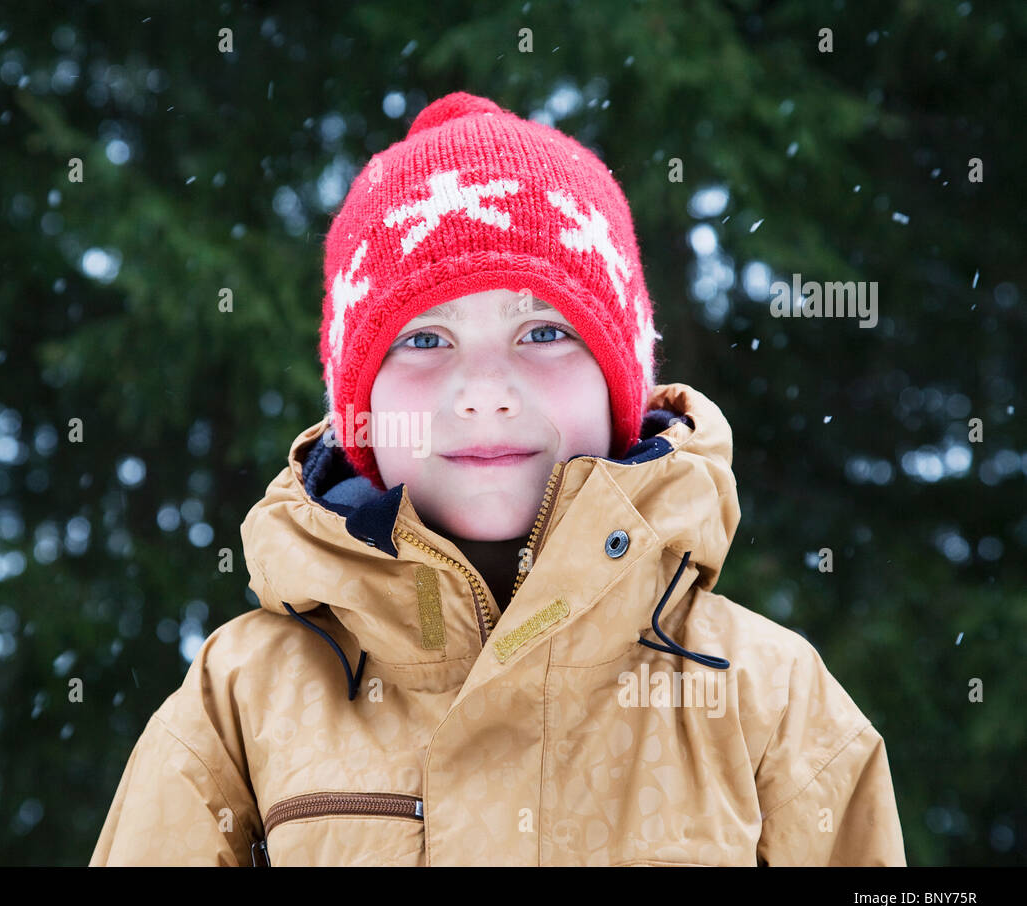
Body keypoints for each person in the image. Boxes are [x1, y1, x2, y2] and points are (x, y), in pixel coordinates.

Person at [89, 91, 905, 866]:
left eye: (543, 330)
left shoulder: (768, 698)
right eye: (424, 339)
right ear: (359, 405)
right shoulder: (243, 702)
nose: (483, 393)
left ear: (618, 385)